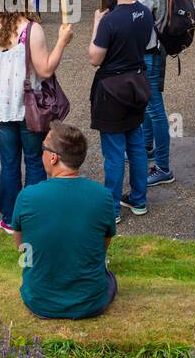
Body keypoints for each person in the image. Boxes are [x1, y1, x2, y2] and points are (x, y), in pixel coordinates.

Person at [0, 0, 74, 231]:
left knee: (8, 163)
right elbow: (44, 71)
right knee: (33, 161)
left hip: (0, 107)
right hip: (29, 108)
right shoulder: (31, 30)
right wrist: (62, 42)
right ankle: (32, 217)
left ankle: (10, 218)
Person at [11, 122, 118, 319]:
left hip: (39, 301)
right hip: (90, 302)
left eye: (43, 147)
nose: (40, 152)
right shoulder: (102, 196)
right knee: (109, 277)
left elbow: (22, 246)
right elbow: (103, 244)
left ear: (53, 157)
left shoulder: (27, 197)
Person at [88, 0, 153, 220]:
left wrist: (96, 24)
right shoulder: (145, 12)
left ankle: (112, 208)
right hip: (136, 84)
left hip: (112, 89)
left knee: (114, 153)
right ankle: (138, 199)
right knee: (136, 146)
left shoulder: (110, 21)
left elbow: (95, 58)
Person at [135, 0, 177, 184]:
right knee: (149, 106)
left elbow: (137, 16)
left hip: (149, 53)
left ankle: (162, 167)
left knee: (155, 110)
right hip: (153, 50)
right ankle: (148, 147)